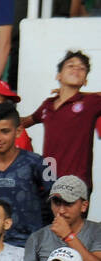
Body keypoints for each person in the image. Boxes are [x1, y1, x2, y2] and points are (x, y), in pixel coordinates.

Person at [12, 176, 101, 261]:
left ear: (84, 206)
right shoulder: (38, 237)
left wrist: (68, 236)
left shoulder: (97, 231)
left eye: (68, 203)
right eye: (56, 202)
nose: (61, 210)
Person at [0, 103, 50, 249]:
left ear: (18, 131)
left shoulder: (36, 163)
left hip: (29, 248)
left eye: (5, 131)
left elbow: (53, 202)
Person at [24, 51, 101, 192]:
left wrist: (82, 93)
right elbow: (25, 122)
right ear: (58, 76)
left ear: (85, 81)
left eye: (82, 68)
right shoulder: (47, 104)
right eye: (70, 65)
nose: (76, 69)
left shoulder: (90, 102)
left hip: (77, 183)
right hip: (48, 180)